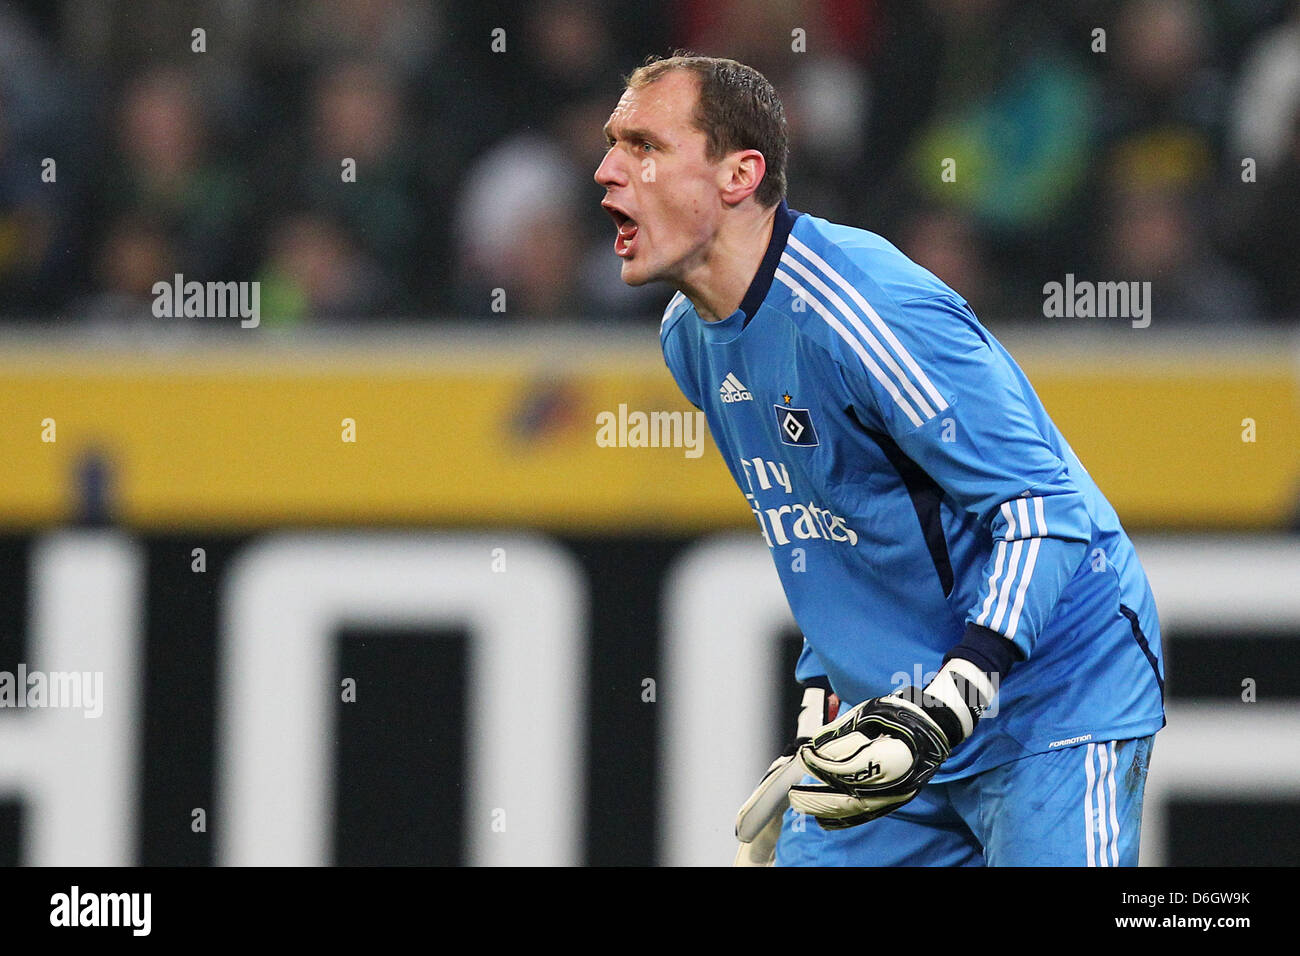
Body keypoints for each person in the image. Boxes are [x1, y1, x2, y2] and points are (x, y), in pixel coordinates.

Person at [594, 54, 1165, 867]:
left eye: (643, 145)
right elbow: (830, 532)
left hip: (1054, 698)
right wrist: (822, 705)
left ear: (739, 175)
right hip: (900, 719)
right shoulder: (691, 340)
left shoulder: (871, 309)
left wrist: (958, 696)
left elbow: (1041, 510)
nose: (607, 170)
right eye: (614, 144)